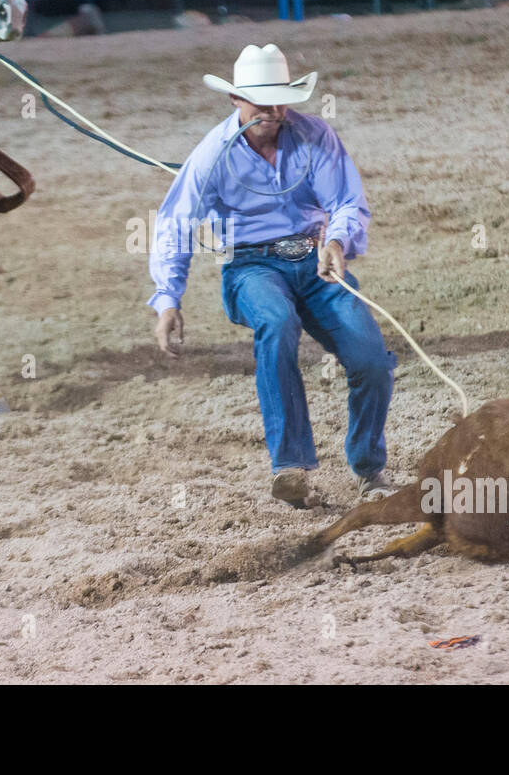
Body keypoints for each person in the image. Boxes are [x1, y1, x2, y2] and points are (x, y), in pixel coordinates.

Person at [148, 43, 396, 507]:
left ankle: (369, 468)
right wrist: (168, 300)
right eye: (261, 101)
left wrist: (337, 242)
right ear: (235, 101)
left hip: (315, 260)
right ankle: (290, 467)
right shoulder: (210, 156)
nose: (273, 110)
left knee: (371, 359)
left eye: (280, 100)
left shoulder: (316, 135)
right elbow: (175, 225)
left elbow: (346, 201)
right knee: (277, 323)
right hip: (251, 266)